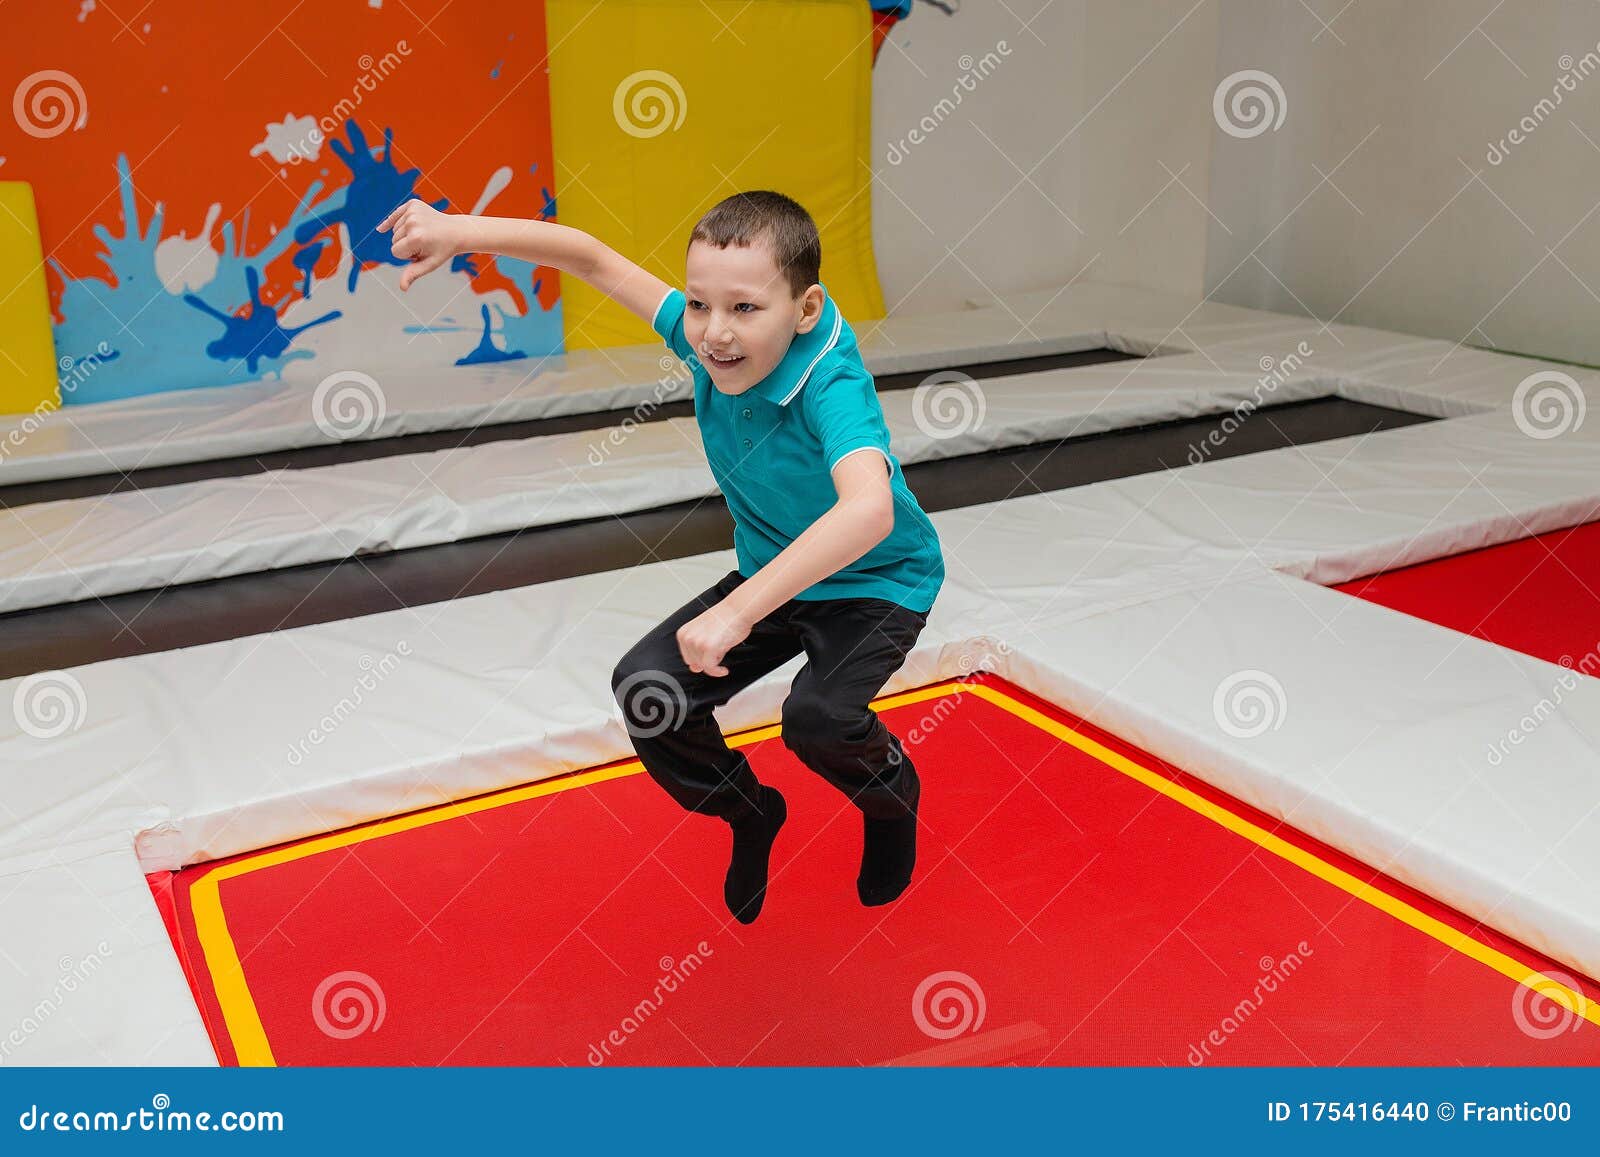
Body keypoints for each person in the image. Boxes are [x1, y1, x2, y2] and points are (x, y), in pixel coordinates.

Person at [378, 189, 945, 924]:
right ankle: (750, 811)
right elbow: (590, 256)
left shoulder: (828, 381)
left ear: (804, 311)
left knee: (818, 718)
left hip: (878, 581)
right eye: (701, 304)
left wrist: (739, 611)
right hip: (778, 569)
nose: (713, 334)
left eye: (745, 309)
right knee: (648, 691)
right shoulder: (707, 331)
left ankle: (892, 794)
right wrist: (460, 230)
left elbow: (866, 509)